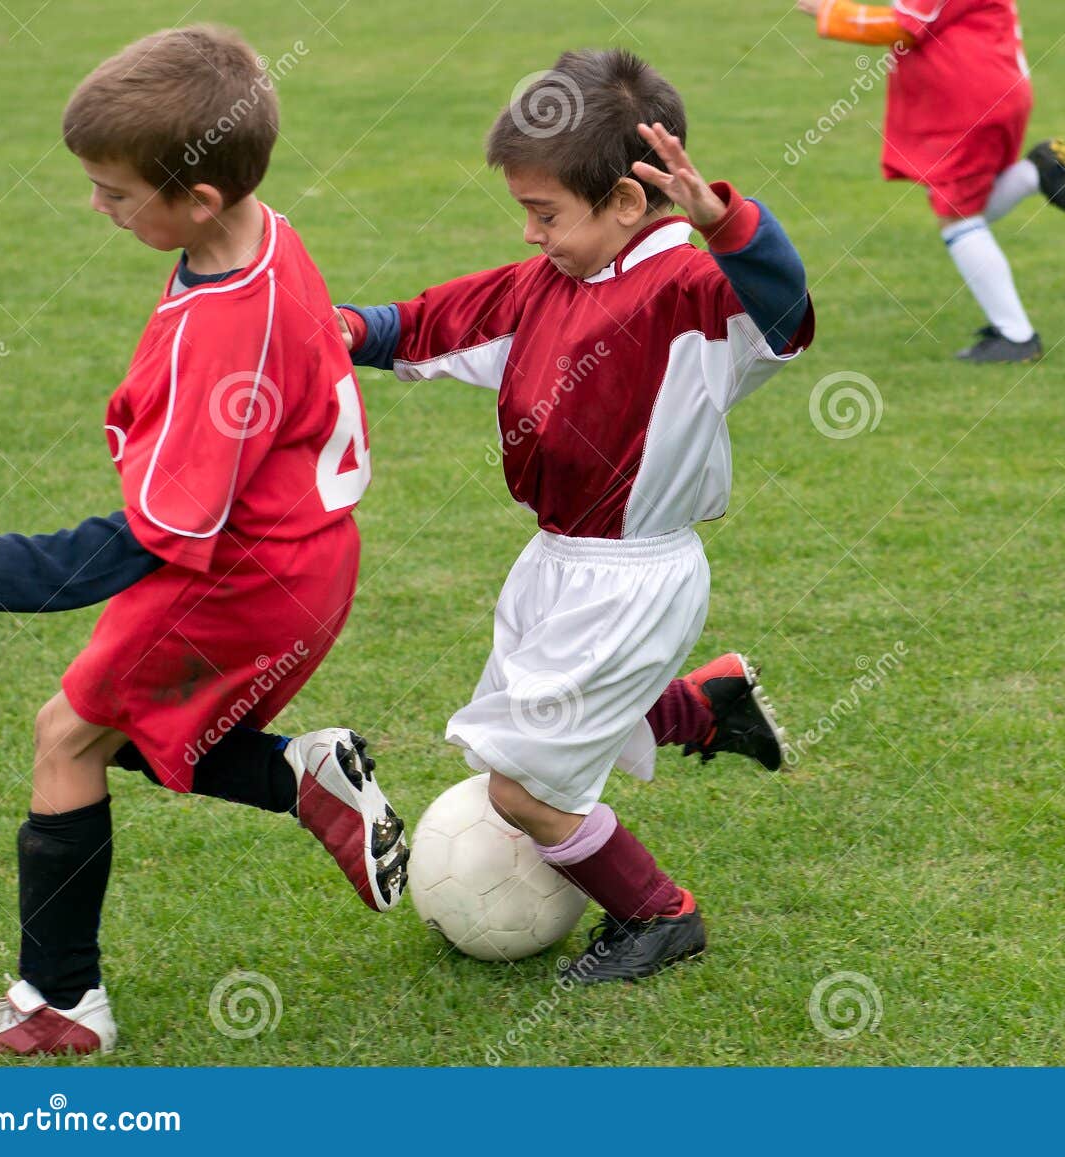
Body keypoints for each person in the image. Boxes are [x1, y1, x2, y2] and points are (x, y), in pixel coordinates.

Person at [0, 25, 407, 1055]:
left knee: (68, 733)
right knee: (138, 726)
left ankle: (62, 1004)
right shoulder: (262, 231)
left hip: (238, 574)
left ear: (195, 199)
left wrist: (9, 561)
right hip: (307, 554)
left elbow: (165, 529)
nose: (96, 207)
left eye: (112, 193)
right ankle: (300, 777)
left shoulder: (215, 330)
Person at [338, 49, 814, 982]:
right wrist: (334, 331)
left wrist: (729, 223)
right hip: (556, 560)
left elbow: (788, 314)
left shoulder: (694, 292)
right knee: (532, 725)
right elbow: (427, 322)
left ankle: (658, 915)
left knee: (521, 786)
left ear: (629, 203)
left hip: (635, 575)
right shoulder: (543, 284)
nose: (529, 233)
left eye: (544, 213)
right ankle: (707, 707)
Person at [796, 0, 1065, 362]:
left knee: (958, 217)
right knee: (964, 207)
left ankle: (1016, 335)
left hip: (971, 101)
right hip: (991, 89)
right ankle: (1038, 172)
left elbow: (904, 26)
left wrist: (831, 12)